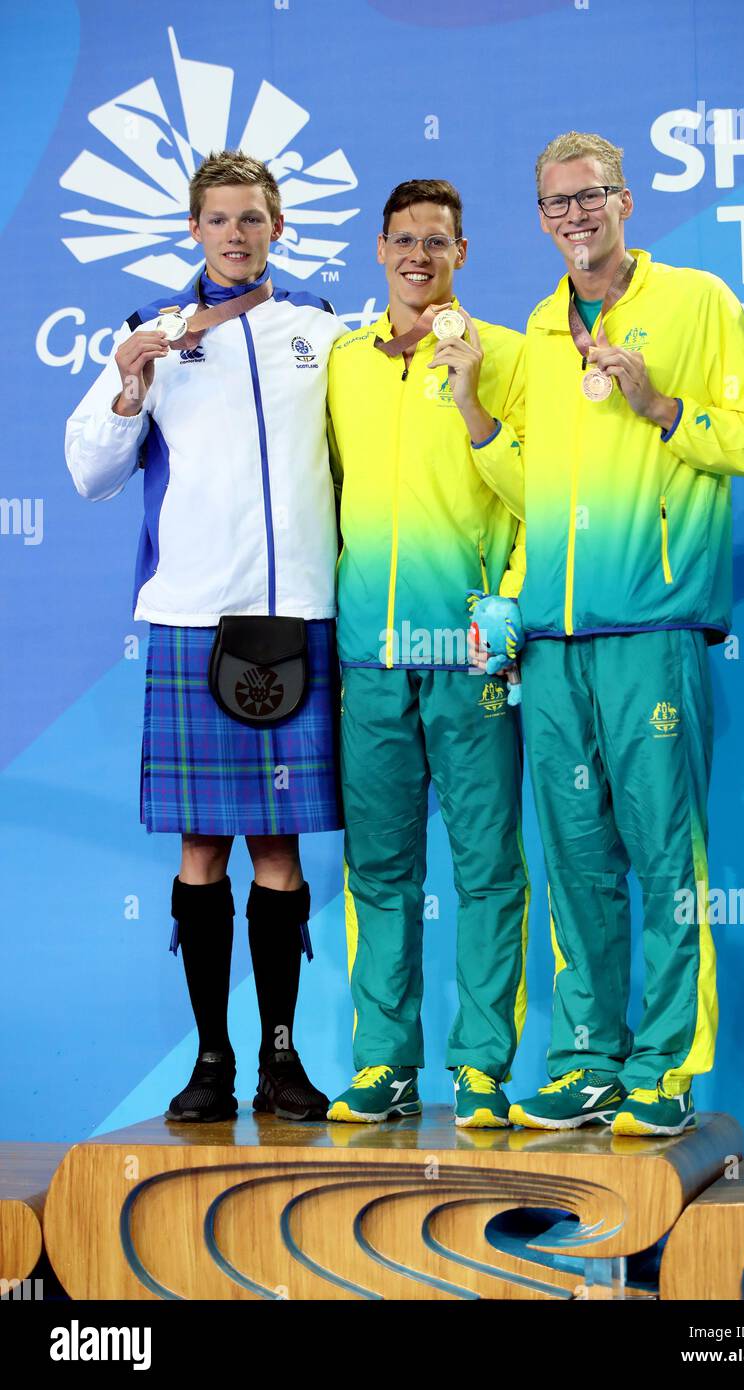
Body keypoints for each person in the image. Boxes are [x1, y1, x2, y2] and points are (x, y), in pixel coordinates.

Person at [508, 132, 744, 1135]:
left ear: (623, 200)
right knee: (573, 855)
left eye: (588, 197)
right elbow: (527, 499)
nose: (573, 217)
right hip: (551, 641)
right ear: (540, 220)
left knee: (667, 858)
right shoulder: (540, 333)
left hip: (653, 621)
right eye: (554, 204)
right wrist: (509, 603)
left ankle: (665, 1067)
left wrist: (660, 406)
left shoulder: (696, 303)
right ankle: (587, 1056)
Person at [65, 149, 346, 1124]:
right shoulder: (151, 335)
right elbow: (91, 475)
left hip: (298, 616)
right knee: (200, 850)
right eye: (219, 219)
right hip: (192, 620)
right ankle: (212, 1061)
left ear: (278, 226)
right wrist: (125, 385)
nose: (236, 233)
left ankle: (281, 1058)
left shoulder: (322, 331)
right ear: (193, 230)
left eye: (252, 218)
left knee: (278, 853)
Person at [325, 179, 530, 1128]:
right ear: (379, 249)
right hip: (370, 657)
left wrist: (509, 605)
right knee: (379, 871)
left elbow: (537, 488)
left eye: (437, 241)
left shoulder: (509, 357)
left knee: (488, 866)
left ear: (462, 251)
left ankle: (483, 1066)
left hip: (469, 653)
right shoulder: (341, 363)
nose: (419, 255)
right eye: (404, 239)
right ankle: (384, 1064)